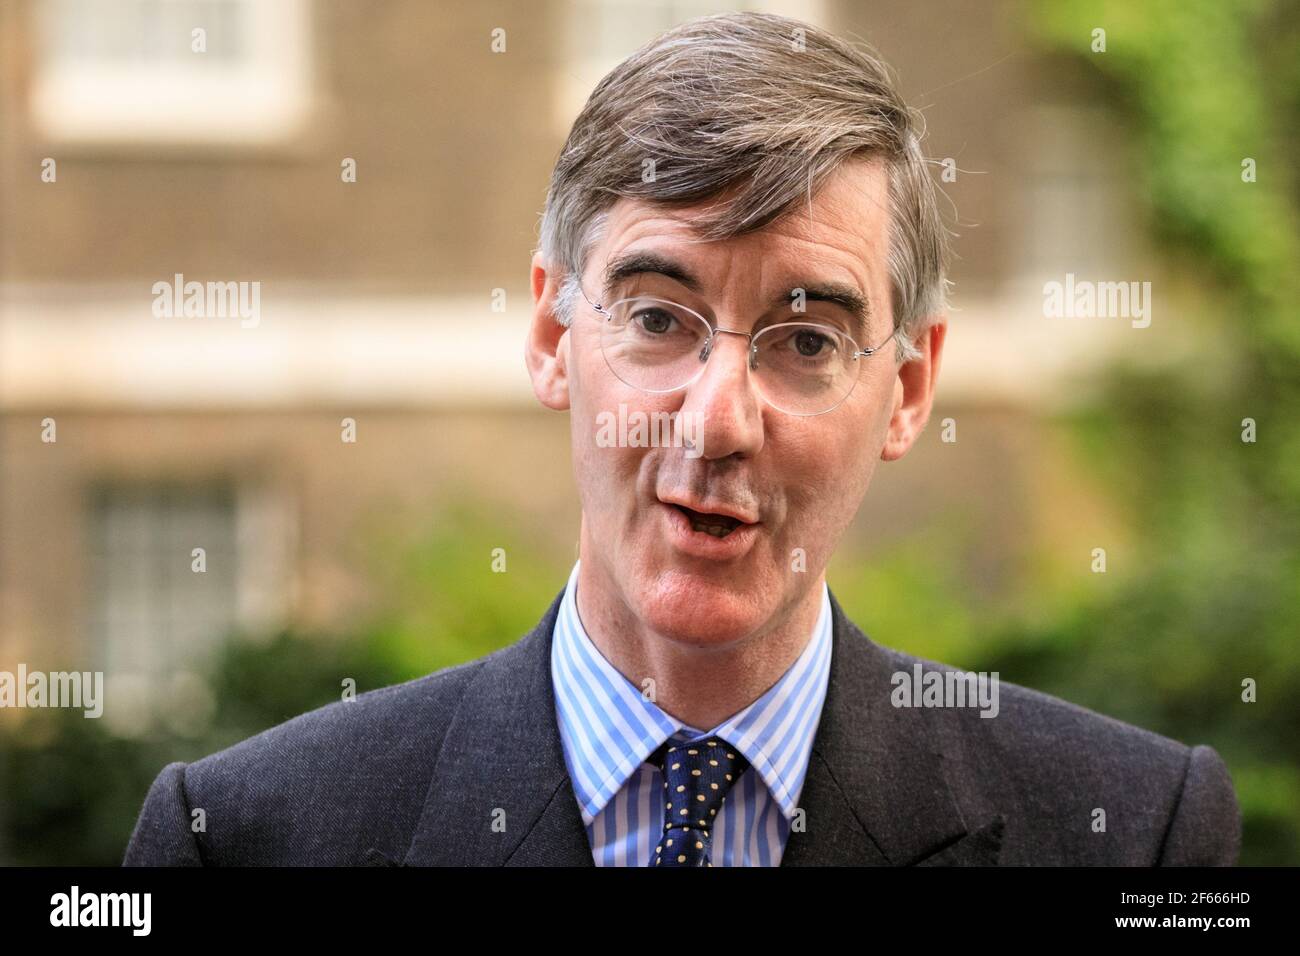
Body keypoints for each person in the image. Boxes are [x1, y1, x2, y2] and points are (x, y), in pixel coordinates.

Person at [124, 11, 1239, 867]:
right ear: (552, 331)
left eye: (805, 340)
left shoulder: (1130, 831)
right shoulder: (245, 839)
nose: (716, 421)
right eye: (658, 318)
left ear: (906, 387)